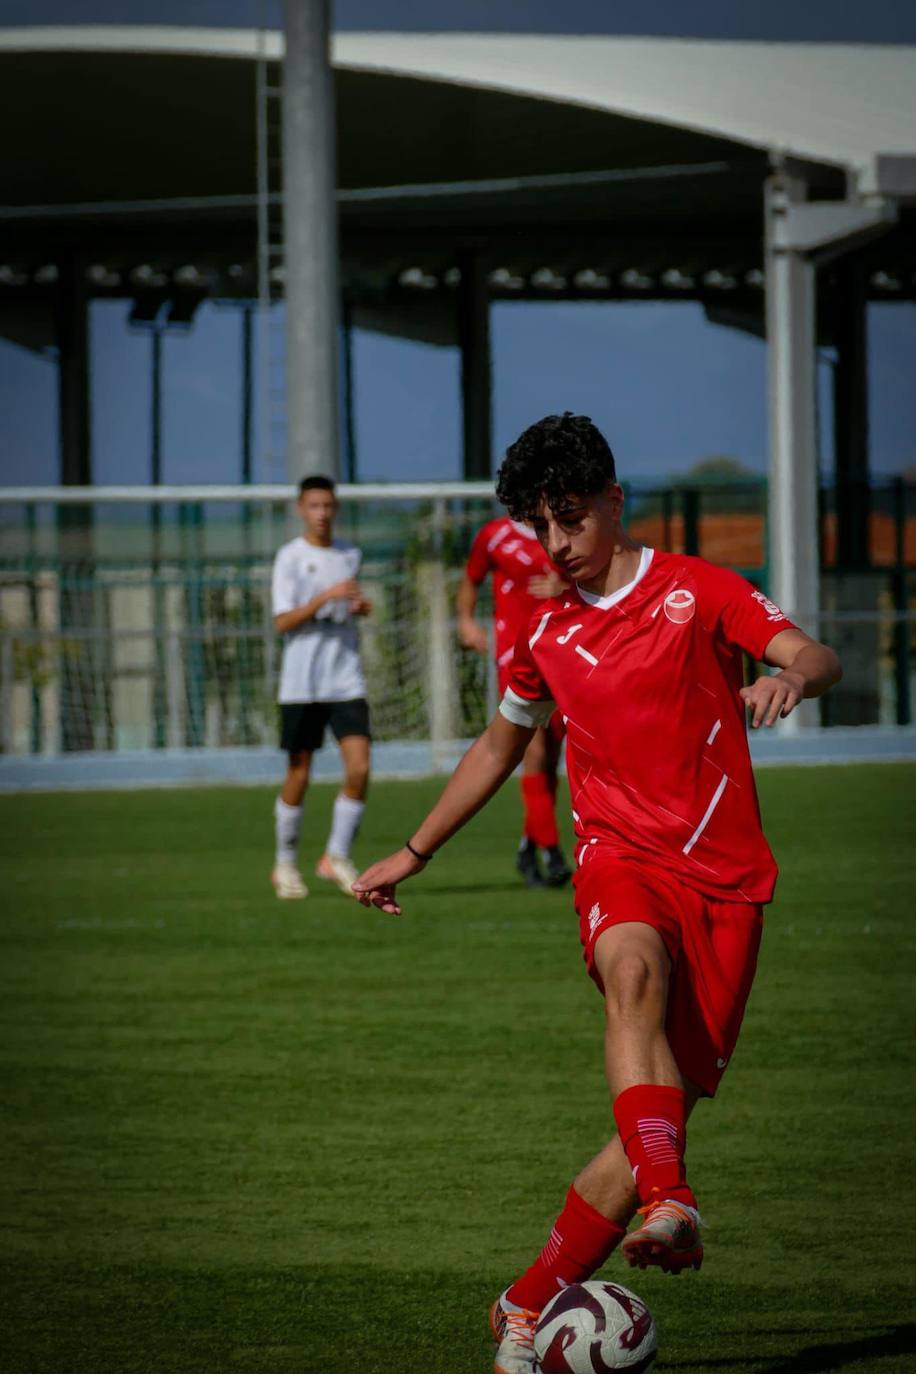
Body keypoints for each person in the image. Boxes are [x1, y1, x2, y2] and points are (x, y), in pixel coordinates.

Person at [352, 414, 842, 1374]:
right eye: (543, 526)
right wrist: (415, 850)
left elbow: (814, 654)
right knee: (631, 975)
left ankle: (527, 1302)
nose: (558, 546)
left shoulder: (699, 590)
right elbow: (500, 745)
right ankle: (674, 1203)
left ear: (616, 504)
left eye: (572, 520)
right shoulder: (541, 626)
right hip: (618, 859)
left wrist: (793, 681)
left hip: (728, 887)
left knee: (648, 1125)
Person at [270, 475, 372, 900]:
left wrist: (359, 607)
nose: (322, 513)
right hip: (302, 682)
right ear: (301, 509)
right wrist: (324, 597)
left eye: (328, 505)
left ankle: (335, 855)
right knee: (300, 772)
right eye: (314, 506)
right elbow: (282, 622)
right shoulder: (290, 558)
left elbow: (348, 608)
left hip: (345, 677)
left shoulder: (350, 553)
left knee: (360, 768)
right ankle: (285, 863)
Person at [457, 515, 573, 888]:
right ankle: (553, 853)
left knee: (552, 754)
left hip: (560, 649)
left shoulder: (566, 529)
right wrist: (466, 621)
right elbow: (471, 580)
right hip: (515, 655)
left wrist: (564, 585)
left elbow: (596, 579)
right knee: (535, 752)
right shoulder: (493, 534)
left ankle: (528, 849)